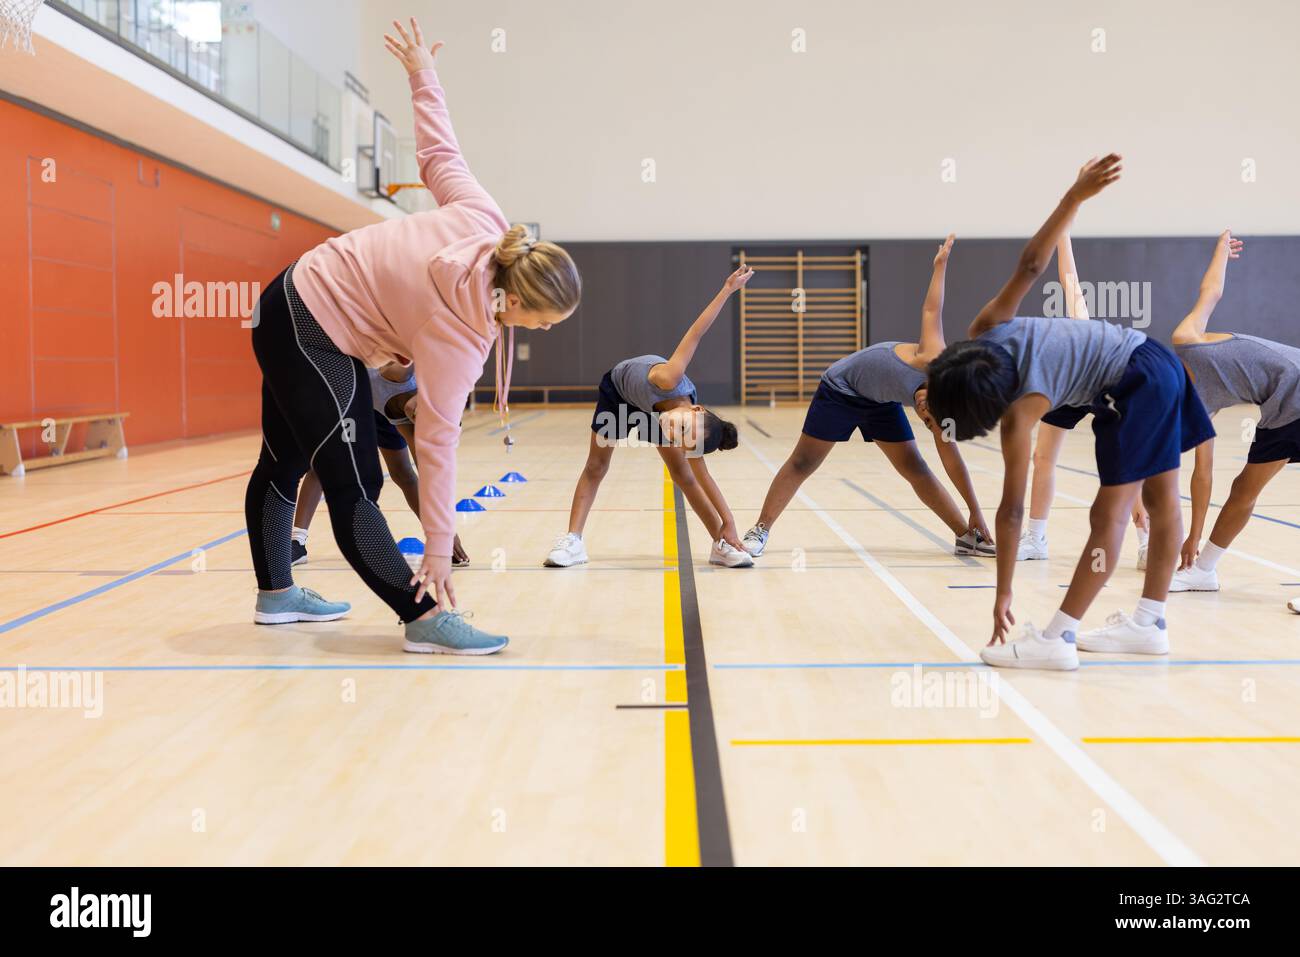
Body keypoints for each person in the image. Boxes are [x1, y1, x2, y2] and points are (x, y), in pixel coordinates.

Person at [244, 19, 580, 655]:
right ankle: (422, 617)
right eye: (546, 321)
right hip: (307, 320)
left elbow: (439, 156)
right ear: (519, 301)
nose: (546, 330)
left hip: (290, 298)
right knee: (354, 480)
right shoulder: (462, 337)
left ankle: (277, 594)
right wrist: (437, 551)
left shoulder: (488, 220)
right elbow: (437, 442)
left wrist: (423, 73)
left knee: (284, 460)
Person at [924, 155, 1214, 670]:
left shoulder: (1022, 410)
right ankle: (1151, 622)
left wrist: (1004, 593)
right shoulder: (985, 327)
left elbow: (1011, 513)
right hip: (1154, 360)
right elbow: (1030, 266)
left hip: (1134, 382)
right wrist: (1071, 199)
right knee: (1162, 497)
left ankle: (1058, 638)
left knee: (1110, 513)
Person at [740, 236, 994, 560]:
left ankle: (966, 535)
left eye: (927, 421)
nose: (921, 412)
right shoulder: (933, 357)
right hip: (840, 390)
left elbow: (952, 461)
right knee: (803, 462)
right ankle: (759, 530)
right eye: (927, 408)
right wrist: (940, 265)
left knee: (916, 468)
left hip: (879, 402)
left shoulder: (941, 413)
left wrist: (976, 511)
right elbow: (932, 309)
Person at [545, 267, 752, 569]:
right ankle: (573, 541)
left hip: (651, 409)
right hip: (618, 394)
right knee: (596, 465)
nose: (674, 432)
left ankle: (721, 544)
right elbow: (696, 333)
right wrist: (727, 290)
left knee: (685, 476)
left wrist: (729, 522)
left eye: (680, 439)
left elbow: (702, 478)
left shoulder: (688, 429)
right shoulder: (670, 378)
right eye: (681, 428)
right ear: (695, 409)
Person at [1166, 231, 1300, 610]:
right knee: (1244, 488)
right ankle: (1203, 570)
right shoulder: (1198, 407)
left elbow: (1211, 292)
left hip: (1295, 389)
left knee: (1246, 488)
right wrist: (1192, 536)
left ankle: (1204, 570)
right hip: (1284, 404)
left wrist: (1220, 251)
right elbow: (1202, 475)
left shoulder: (1186, 340)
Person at [289, 363, 470, 568]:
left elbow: (430, 478)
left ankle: (436, 535)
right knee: (326, 463)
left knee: (403, 474)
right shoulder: (404, 371)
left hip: (387, 407)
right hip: (355, 395)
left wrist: (444, 532)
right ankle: (297, 539)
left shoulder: (412, 409)